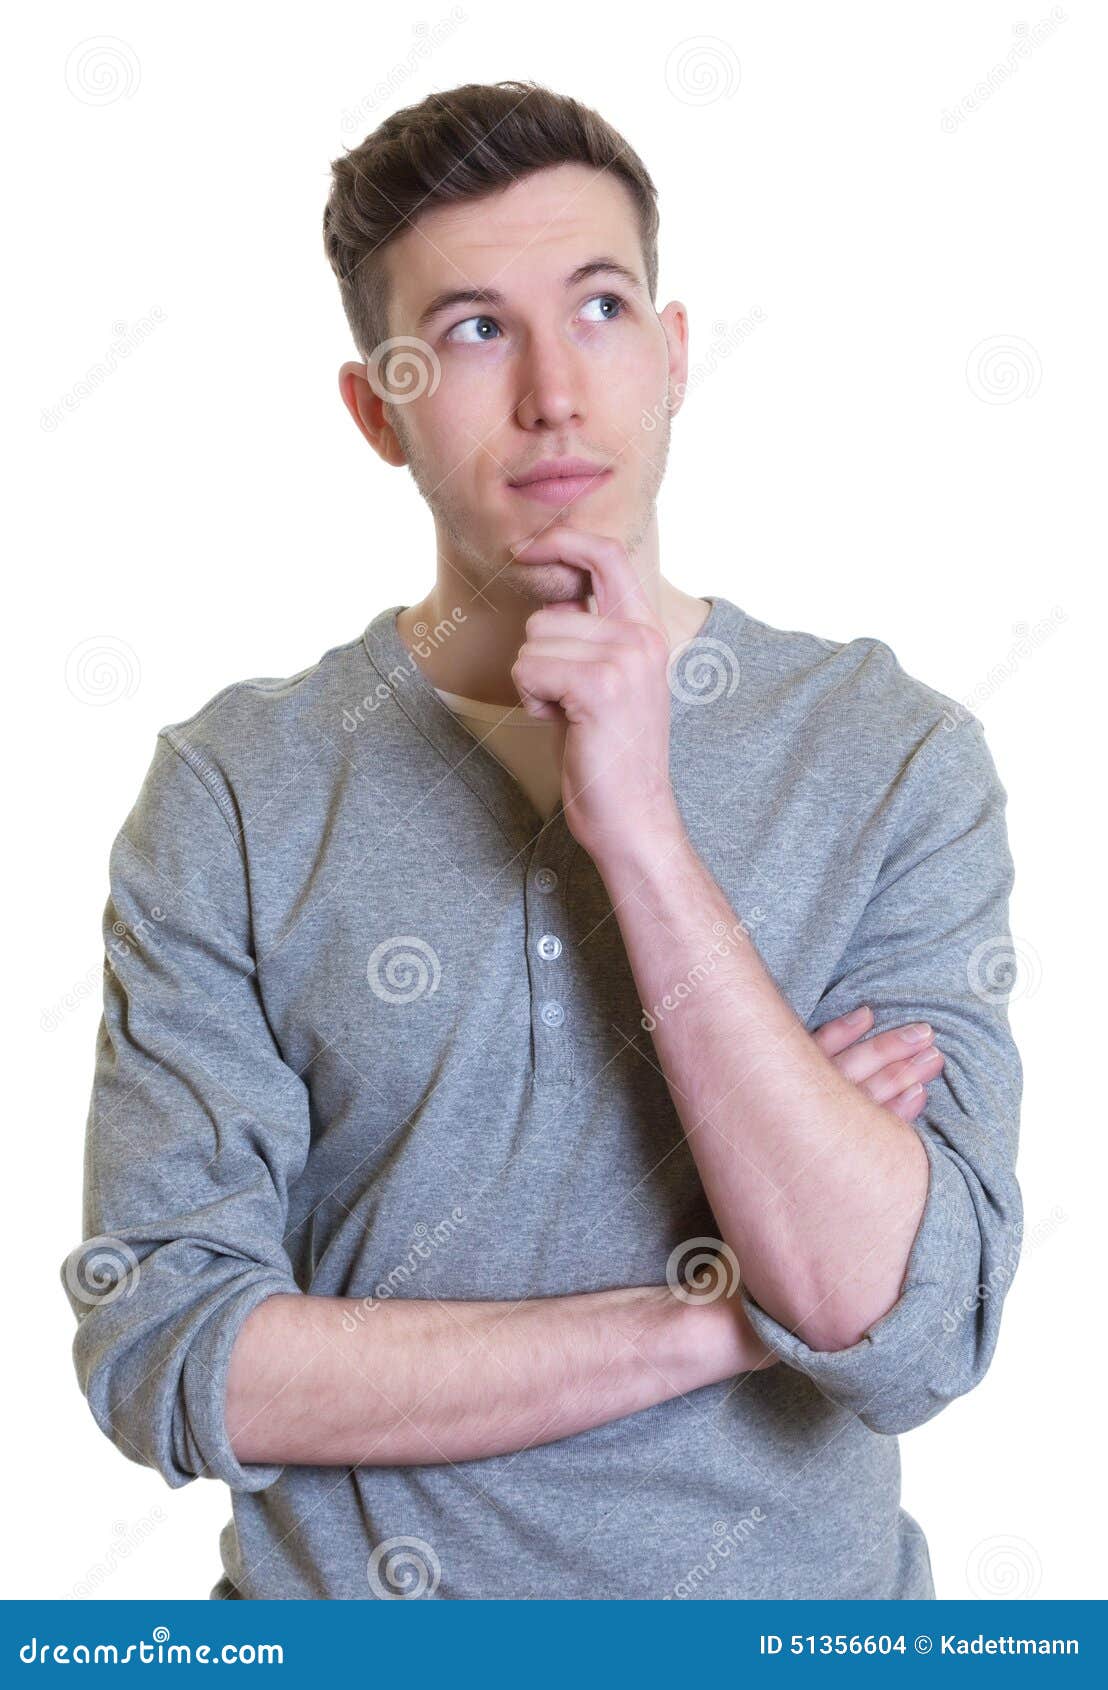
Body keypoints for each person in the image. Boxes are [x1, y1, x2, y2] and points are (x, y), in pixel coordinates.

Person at [62, 80, 1023, 1601]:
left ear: (677, 352)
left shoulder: (888, 753)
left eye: (600, 306)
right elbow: (176, 1348)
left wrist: (637, 822)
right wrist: (711, 1309)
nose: (555, 392)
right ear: (376, 408)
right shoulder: (236, 790)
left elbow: (901, 1319)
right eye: (470, 331)